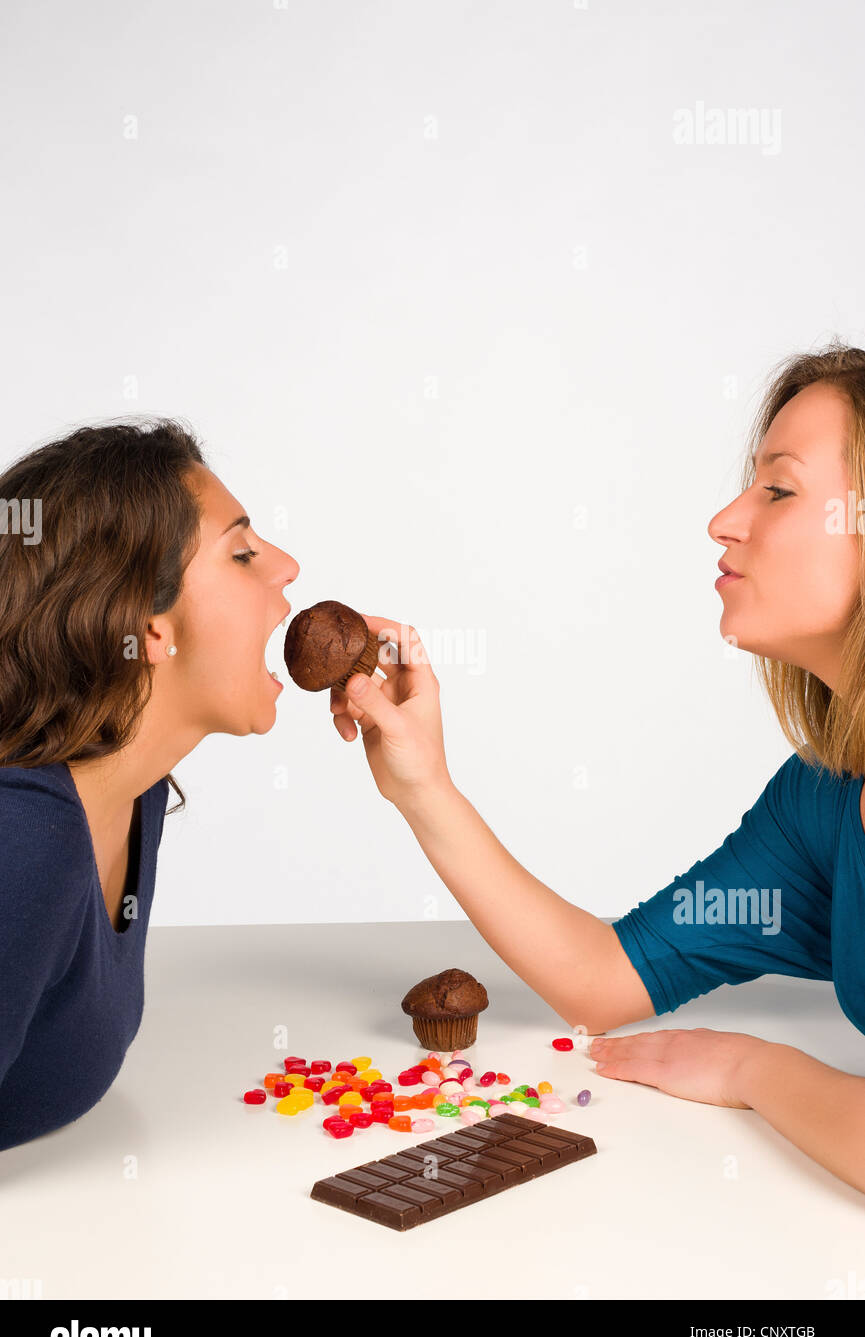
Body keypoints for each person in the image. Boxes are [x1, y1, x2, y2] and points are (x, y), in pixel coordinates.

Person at [331, 340, 865, 1196]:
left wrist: (751, 1072)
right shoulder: (823, 802)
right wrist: (422, 786)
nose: (724, 520)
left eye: (778, 488)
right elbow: (602, 978)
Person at [0, 419, 297, 1150]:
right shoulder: (24, 838)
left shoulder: (138, 794)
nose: (286, 566)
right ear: (149, 627)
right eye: (242, 553)